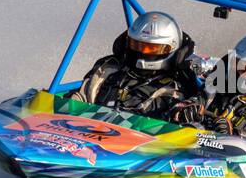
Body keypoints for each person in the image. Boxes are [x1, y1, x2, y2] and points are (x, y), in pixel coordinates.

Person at [74, 11, 202, 119]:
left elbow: (172, 124)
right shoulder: (108, 68)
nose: (143, 52)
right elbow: (80, 98)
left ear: (171, 49)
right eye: (137, 45)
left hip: (139, 142)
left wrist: (179, 114)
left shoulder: (174, 88)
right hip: (86, 132)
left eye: (151, 49)